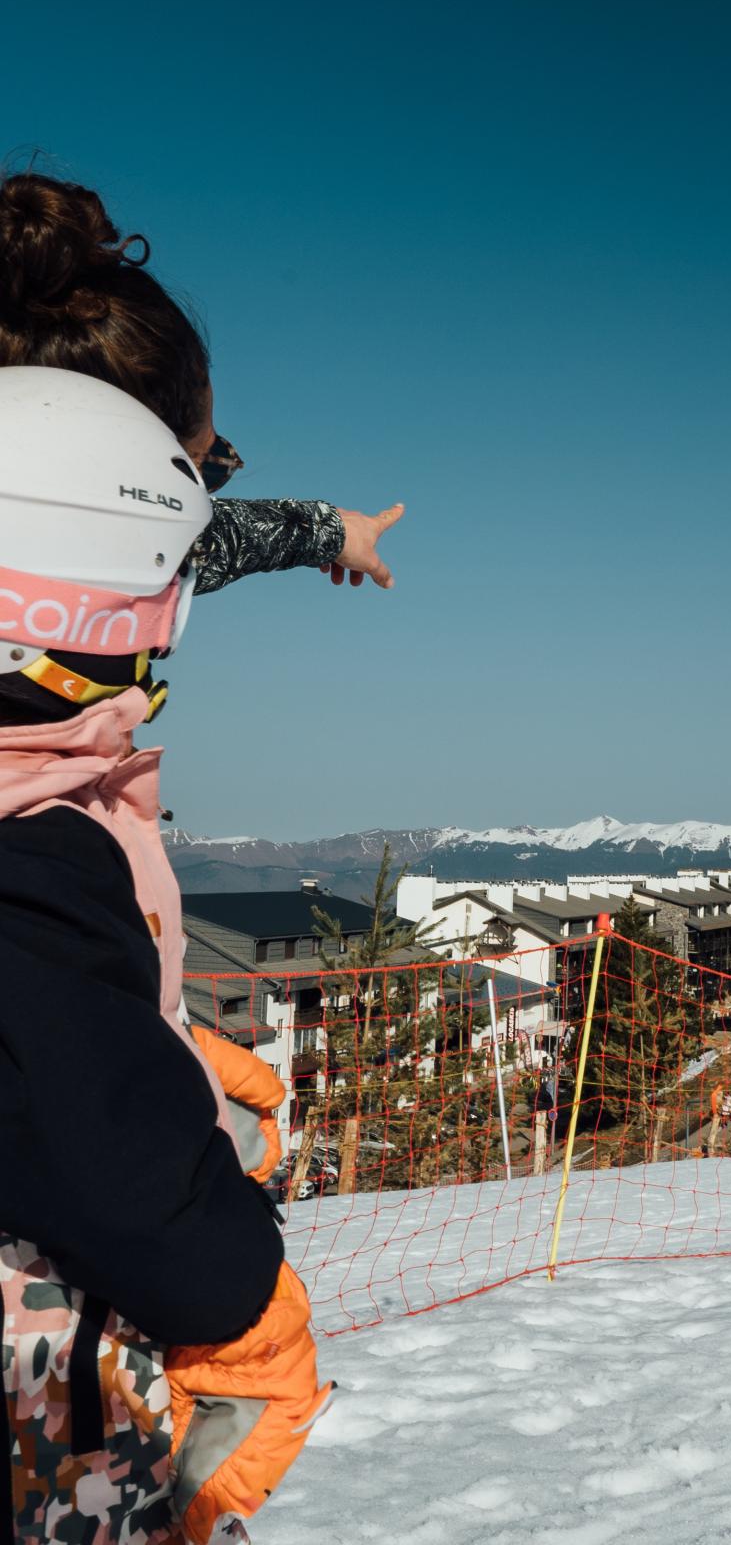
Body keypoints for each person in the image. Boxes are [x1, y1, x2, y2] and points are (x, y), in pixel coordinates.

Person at [0, 368, 330, 1544]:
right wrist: (250, 1320)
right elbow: (110, 1168)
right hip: (54, 1430)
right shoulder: (37, 847)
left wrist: (156, 1045)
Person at [0, 171, 404, 613]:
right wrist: (327, 531)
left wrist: (329, 530)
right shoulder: (112, 562)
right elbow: (167, 550)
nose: (189, 524)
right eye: (201, 477)